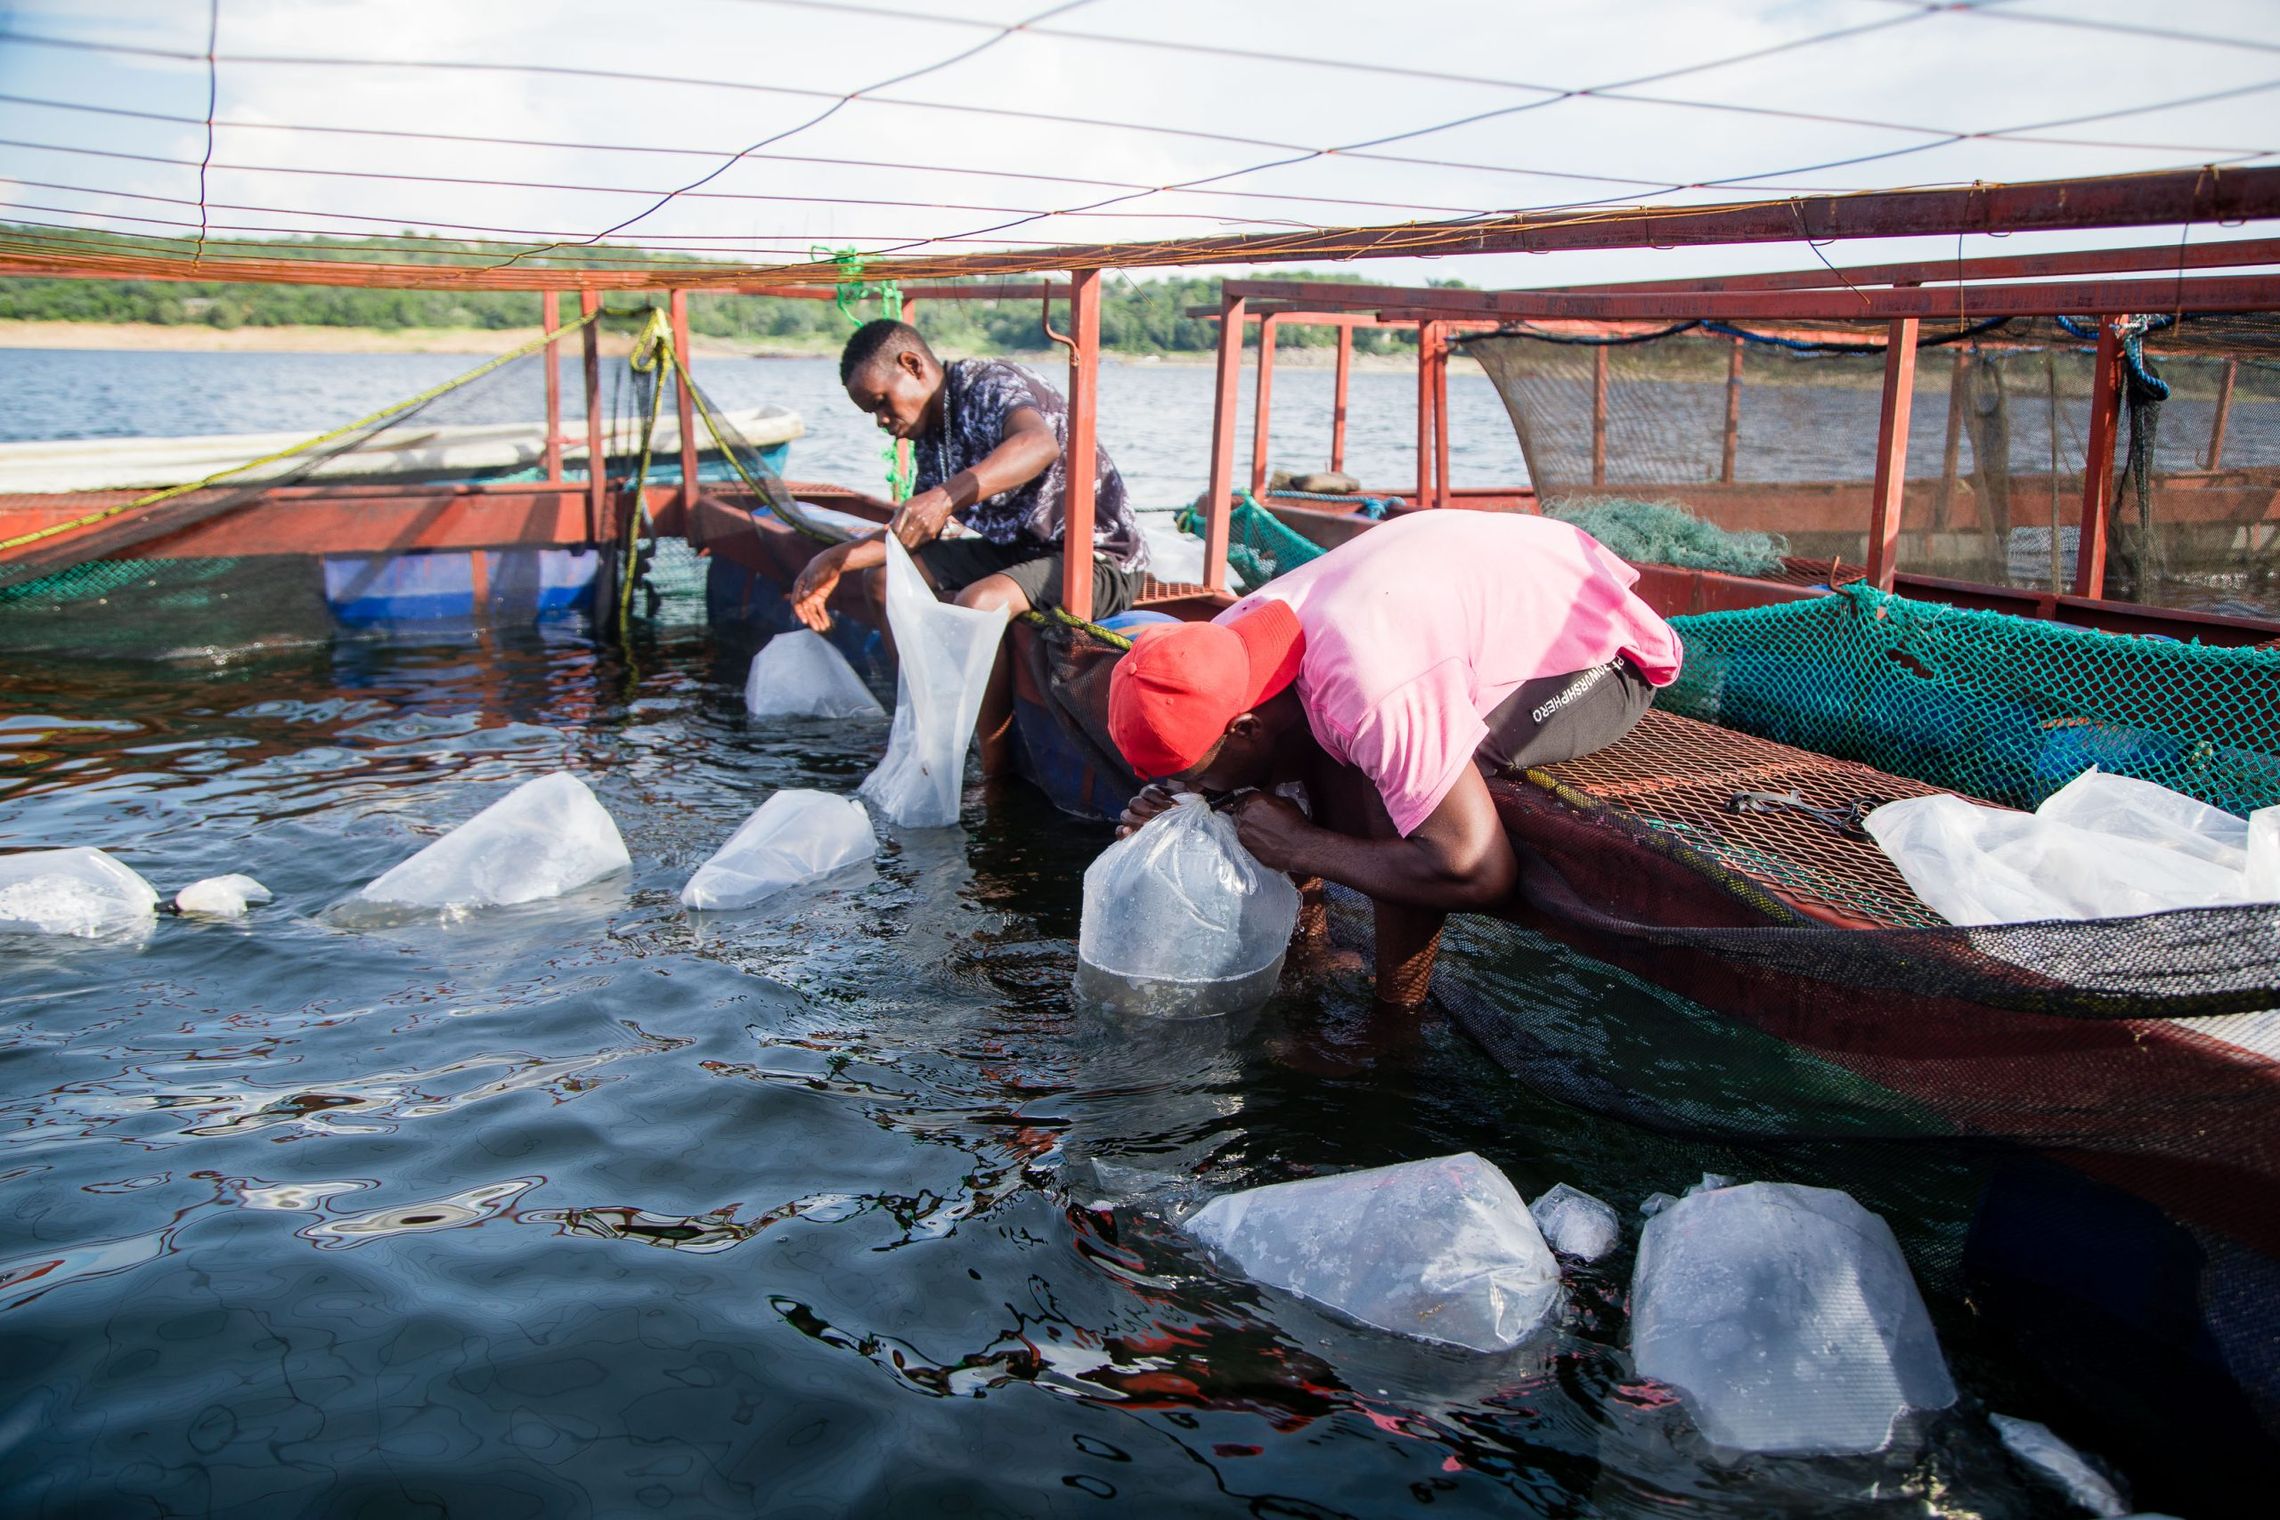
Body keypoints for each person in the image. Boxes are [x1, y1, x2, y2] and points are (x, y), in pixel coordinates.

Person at [1106, 510, 1682, 1008]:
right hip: (1472, 589)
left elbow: (1476, 870)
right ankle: (1313, 953)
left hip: (1602, 646)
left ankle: (1397, 1017)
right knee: (1295, 769)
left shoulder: (1374, 688)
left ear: (1244, 728)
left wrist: (1301, 846)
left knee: (1396, 802)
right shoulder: (1223, 644)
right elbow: (1261, 762)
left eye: (1191, 775)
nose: (1194, 789)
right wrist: (1178, 804)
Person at [789, 320, 1151, 770]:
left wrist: (946, 497)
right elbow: (915, 531)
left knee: (978, 602)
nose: (882, 421)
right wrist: (834, 561)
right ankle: (924, 728)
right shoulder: (931, 434)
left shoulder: (989, 383)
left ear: (912, 365)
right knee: (883, 580)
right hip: (1016, 550)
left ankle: (991, 769)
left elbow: (1038, 444)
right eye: (872, 414)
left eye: (881, 402)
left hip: (1094, 557)